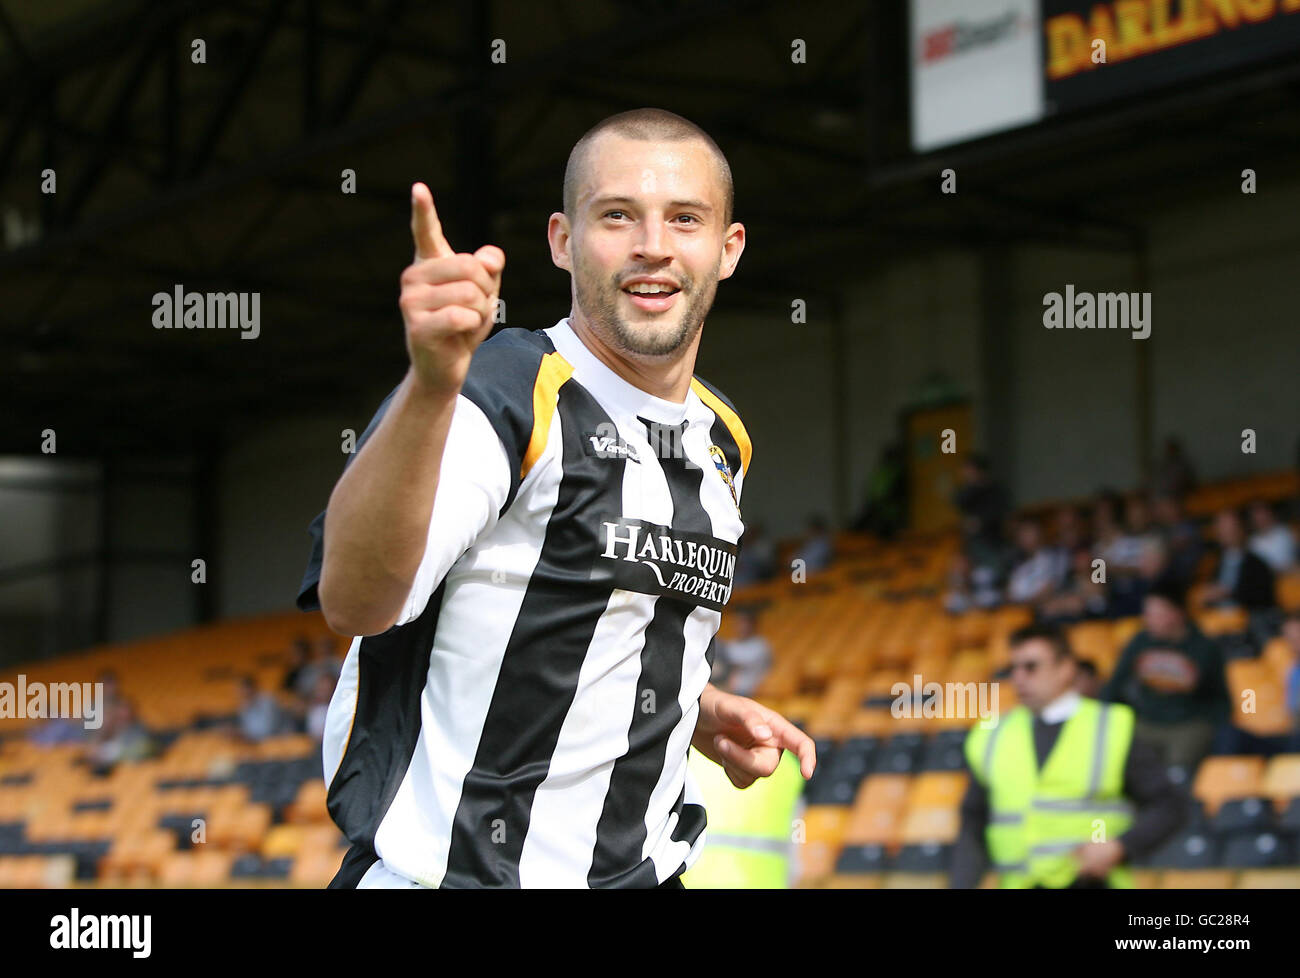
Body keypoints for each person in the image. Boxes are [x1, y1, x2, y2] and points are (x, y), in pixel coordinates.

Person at [295, 108, 815, 889]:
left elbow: (572, 612)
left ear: (728, 249)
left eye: (685, 219)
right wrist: (432, 385)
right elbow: (357, 600)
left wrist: (691, 705)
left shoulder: (722, 438)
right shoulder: (500, 394)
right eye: (617, 216)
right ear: (562, 242)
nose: (653, 245)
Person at [951, 624, 1186, 889]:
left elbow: (1169, 805)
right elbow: (973, 822)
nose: (1018, 677)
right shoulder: (992, 734)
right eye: (1013, 668)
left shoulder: (1110, 727)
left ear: (1066, 668)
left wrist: (1120, 846)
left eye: (1031, 667)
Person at [1100, 578, 1230, 770]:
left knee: (1176, 773)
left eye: (1155, 613)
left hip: (1188, 724)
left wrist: (1210, 722)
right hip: (1147, 721)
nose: (1148, 619)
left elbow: (1220, 697)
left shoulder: (1204, 647)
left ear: (1176, 613)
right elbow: (1115, 684)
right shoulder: (1140, 642)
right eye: (1147, 612)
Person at [1202, 508, 1276, 612]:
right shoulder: (1216, 562)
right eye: (1221, 528)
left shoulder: (1257, 563)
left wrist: (1229, 594)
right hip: (1220, 619)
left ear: (1241, 529)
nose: (1225, 533)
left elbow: (1262, 598)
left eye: (1229, 528)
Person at [713, 608, 772, 698]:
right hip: (729, 690)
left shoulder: (760, 645)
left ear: (752, 624)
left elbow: (741, 662)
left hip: (750, 691)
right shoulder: (732, 644)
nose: (740, 627)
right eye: (738, 623)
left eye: (744, 623)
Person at [1248, 500, 1297, 574]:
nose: (1261, 518)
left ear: (1269, 512)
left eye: (1263, 512)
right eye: (1257, 514)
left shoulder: (1285, 531)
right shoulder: (1252, 543)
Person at [236, 675, 284, 743]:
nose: (241, 693)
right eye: (239, 690)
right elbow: (247, 729)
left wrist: (243, 734)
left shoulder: (268, 702)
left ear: (252, 688)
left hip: (279, 741)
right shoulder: (243, 706)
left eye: (243, 689)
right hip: (258, 743)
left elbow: (267, 730)